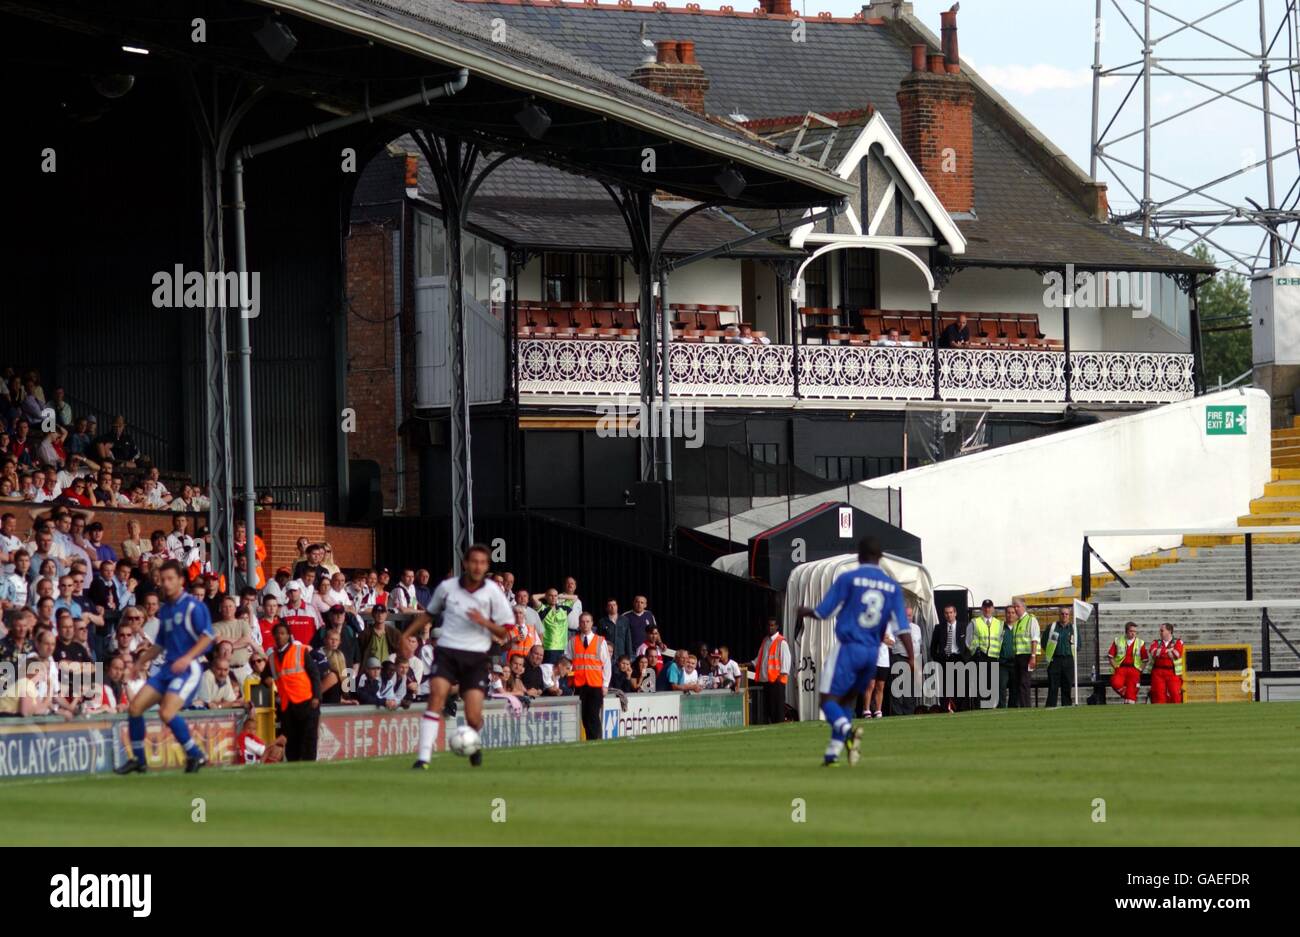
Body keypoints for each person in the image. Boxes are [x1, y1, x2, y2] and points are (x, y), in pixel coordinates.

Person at [796, 536, 913, 767]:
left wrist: (804, 610)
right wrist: (911, 656)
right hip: (872, 655)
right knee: (847, 702)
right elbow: (903, 627)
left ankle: (847, 731)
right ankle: (832, 754)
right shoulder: (891, 587)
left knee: (827, 700)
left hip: (848, 649)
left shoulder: (849, 578)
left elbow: (823, 612)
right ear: (880, 559)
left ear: (859, 556)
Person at [405, 544, 515, 770]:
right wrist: (405, 634)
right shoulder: (447, 587)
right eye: (473, 561)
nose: (477, 566)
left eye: (482, 562)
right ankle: (423, 758)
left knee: (474, 717)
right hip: (447, 652)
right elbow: (429, 613)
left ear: (487, 566)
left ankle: (473, 745)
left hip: (476, 657)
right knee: (436, 696)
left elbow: (505, 631)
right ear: (465, 563)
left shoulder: (493, 592)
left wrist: (483, 621)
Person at [114, 560, 214, 775]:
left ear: (181, 581)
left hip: (188, 669)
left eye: (171, 579)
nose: (166, 584)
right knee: (135, 708)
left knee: (166, 712)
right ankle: (139, 760)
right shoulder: (166, 609)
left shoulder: (193, 607)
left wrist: (187, 658)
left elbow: (208, 637)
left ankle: (196, 754)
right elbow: (160, 644)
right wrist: (139, 663)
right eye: (163, 579)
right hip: (168, 668)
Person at [267, 619, 322, 760]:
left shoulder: (300, 651)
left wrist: (316, 696)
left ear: (288, 636)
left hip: (307, 701)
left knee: (308, 739)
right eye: (277, 634)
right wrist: (265, 679)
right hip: (287, 704)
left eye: (283, 633)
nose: (280, 636)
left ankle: (309, 768)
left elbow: (314, 674)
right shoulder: (272, 658)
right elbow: (265, 675)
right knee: (292, 741)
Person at [569, 612, 610, 740]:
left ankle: (594, 740)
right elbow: (568, 661)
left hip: (595, 684)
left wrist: (605, 685)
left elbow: (606, 664)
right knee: (584, 716)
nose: (585, 624)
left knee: (593, 715)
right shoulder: (573, 641)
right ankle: (591, 740)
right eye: (582, 622)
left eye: (588, 621)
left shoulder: (599, 641)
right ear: (579, 624)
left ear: (592, 624)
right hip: (580, 684)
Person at [750, 617, 790, 725]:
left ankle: (780, 730)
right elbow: (760, 658)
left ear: (777, 627)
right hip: (767, 681)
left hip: (777, 681)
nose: (770, 627)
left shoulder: (781, 642)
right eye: (768, 625)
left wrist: (780, 677)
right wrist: (750, 664)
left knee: (777, 710)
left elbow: (786, 661)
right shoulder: (765, 641)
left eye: (772, 625)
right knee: (769, 710)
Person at [929, 603, 965, 713]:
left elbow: (969, 644)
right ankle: (946, 708)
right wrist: (937, 658)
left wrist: (965, 659)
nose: (949, 615)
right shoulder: (939, 628)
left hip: (958, 658)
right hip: (944, 660)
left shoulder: (964, 626)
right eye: (946, 613)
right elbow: (933, 647)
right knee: (944, 686)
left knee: (959, 685)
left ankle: (958, 708)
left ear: (955, 613)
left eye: (951, 612)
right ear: (944, 615)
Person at [1009, 598, 1041, 708]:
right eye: (1014, 606)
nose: (1015, 609)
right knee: (1018, 683)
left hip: (1027, 656)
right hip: (1018, 656)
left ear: (1023, 607)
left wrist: (1033, 656)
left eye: (1017, 606)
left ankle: (1026, 707)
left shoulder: (1031, 620)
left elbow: (1034, 638)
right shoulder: (1017, 622)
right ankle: (1022, 706)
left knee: (1024, 683)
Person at [1043, 606, 1077, 708]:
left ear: (1069, 616)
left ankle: (1066, 707)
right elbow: (1044, 642)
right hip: (1055, 660)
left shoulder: (1073, 628)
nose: (1064, 616)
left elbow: (1078, 644)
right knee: (1053, 686)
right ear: (1059, 615)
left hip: (1068, 660)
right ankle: (1050, 707)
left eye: (1066, 614)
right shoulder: (1052, 627)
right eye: (1062, 614)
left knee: (1067, 686)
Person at [1108, 621, 1147, 705]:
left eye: (1135, 631)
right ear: (1126, 631)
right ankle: (1128, 695)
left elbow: (1145, 660)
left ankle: (1130, 702)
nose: (1133, 633)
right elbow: (1110, 656)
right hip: (1121, 668)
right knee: (1115, 682)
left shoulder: (1140, 642)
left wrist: (1140, 670)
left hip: (1134, 669)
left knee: (1132, 691)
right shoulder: (1118, 640)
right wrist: (1116, 668)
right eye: (1131, 631)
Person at [1148, 623, 1184, 704]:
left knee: (1175, 695)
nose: (1160, 632)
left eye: (1162, 630)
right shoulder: (1156, 642)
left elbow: (1176, 654)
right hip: (1158, 673)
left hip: (1173, 672)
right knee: (1159, 697)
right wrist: (1169, 650)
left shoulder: (1178, 641)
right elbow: (1154, 653)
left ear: (1169, 631)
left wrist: (1161, 651)